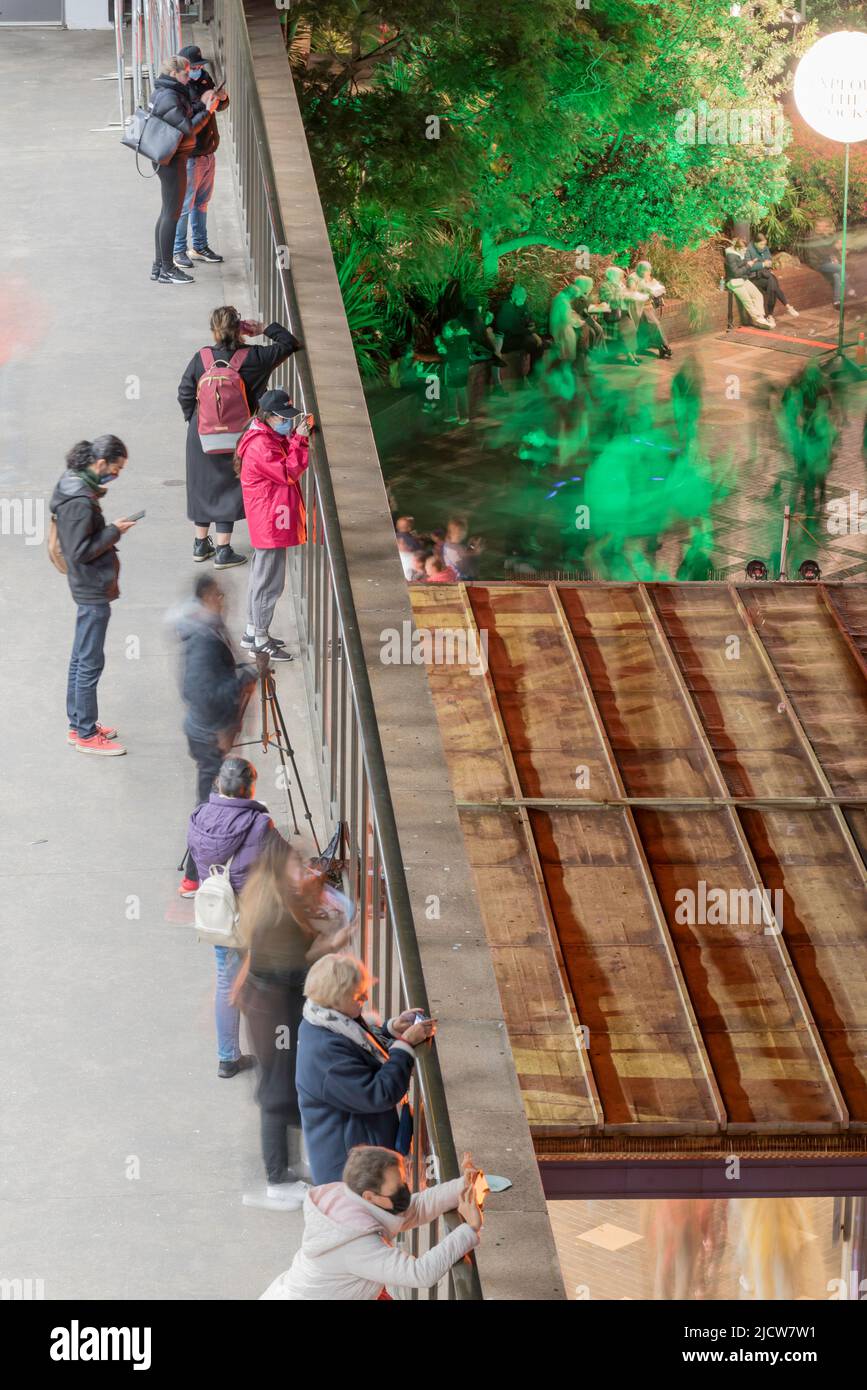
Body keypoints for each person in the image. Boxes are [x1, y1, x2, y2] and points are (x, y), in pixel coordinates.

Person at [236, 840, 352, 1206]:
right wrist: (333, 944)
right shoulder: (277, 913)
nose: (303, 868)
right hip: (276, 1014)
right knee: (277, 1091)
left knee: (282, 1085)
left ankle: (303, 1160)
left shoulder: (268, 899)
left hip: (266, 1007)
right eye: (296, 863)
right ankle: (278, 1180)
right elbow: (296, 968)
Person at [259, 1145, 483, 1300]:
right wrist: (469, 1228)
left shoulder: (346, 1200)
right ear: (370, 1197)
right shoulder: (357, 1243)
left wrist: (463, 1186)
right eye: (398, 1186)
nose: (405, 1189)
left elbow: (416, 1207)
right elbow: (419, 1273)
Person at [177, 307, 302, 569]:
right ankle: (223, 549)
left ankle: (200, 544)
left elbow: (185, 392)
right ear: (240, 328)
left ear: (214, 329)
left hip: (202, 434)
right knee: (230, 485)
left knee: (202, 484)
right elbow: (290, 344)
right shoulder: (256, 356)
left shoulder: (202, 358)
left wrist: (196, 421)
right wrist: (263, 328)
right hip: (239, 435)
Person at [296, 953, 436, 1184]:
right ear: (336, 999)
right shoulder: (326, 1054)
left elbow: (360, 1047)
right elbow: (378, 1094)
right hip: (350, 1175)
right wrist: (405, 1045)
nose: (366, 998)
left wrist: (392, 1030)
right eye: (359, 996)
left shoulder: (328, 1019)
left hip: (360, 1159)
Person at [186, 756, 276, 1077]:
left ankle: (227, 1057)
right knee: (269, 982)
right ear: (249, 788)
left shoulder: (198, 816)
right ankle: (276, 1052)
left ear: (219, 785)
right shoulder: (259, 824)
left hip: (217, 913)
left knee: (227, 983)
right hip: (253, 916)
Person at [51, 436, 137, 756]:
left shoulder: (74, 485)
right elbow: (80, 551)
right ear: (100, 463)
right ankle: (85, 732)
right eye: (116, 468)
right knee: (89, 661)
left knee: (81, 656)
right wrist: (114, 531)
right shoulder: (80, 501)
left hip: (87, 585)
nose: (117, 474)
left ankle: (79, 723)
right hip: (91, 588)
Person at [174, 574, 257, 894]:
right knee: (209, 804)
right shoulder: (204, 639)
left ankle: (204, 870)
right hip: (209, 734)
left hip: (208, 729)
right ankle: (195, 878)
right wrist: (244, 679)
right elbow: (200, 693)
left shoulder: (203, 628)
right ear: (208, 597)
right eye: (220, 595)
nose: (225, 600)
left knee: (212, 798)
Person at [235, 389, 311, 660]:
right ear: (268, 417)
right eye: (284, 419)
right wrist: (301, 440)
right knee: (269, 582)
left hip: (268, 518)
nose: (287, 423)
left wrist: (294, 436)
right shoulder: (260, 446)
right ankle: (260, 639)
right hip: (270, 521)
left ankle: (252, 631)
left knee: (261, 577)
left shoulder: (263, 435)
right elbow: (289, 471)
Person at [148, 55, 217, 285]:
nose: (189, 77)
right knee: (171, 214)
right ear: (173, 74)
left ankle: (159, 266)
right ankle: (167, 268)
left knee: (167, 212)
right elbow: (188, 128)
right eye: (186, 73)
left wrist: (202, 102)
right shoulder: (169, 95)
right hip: (172, 160)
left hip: (169, 158)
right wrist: (207, 111)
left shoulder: (170, 92)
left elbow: (183, 112)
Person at [172, 45, 229, 269]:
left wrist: (221, 99)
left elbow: (218, 107)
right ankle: (178, 250)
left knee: (202, 202)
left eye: (198, 66)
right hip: (191, 155)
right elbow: (187, 116)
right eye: (192, 67)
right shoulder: (180, 87)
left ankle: (199, 245)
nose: (196, 70)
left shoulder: (205, 78)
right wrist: (204, 102)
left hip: (208, 150)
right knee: (185, 204)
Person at [743, 233, 799, 322]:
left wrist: (767, 262)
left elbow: (769, 258)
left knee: (772, 285)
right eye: (761, 244)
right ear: (755, 243)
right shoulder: (749, 250)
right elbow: (749, 267)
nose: (763, 246)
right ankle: (786, 307)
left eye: (764, 244)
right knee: (773, 284)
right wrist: (762, 264)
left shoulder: (765, 248)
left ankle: (770, 315)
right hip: (754, 277)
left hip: (765, 274)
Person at [495, 284, 543, 385]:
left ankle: (534, 375)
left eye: (524, 296)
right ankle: (532, 377)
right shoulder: (506, 307)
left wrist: (533, 332)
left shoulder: (521, 304)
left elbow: (529, 321)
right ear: (513, 296)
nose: (524, 298)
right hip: (506, 340)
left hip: (519, 336)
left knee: (541, 344)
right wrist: (532, 333)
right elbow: (514, 329)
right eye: (522, 296)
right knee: (534, 344)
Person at [724, 239, 772, 328]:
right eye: (744, 250)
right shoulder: (730, 256)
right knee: (748, 300)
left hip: (743, 279)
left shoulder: (740, 254)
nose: (745, 251)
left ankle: (761, 316)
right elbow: (736, 273)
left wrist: (752, 263)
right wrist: (748, 265)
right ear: (738, 249)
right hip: (734, 281)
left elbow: (743, 268)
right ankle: (757, 318)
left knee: (758, 295)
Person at [631, 261, 673, 358]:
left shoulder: (646, 276)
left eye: (649, 270)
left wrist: (658, 291)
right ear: (641, 270)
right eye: (646, 271)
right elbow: (633, 291)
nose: (648, 273)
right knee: (655, 325)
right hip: (640, 308)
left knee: (653, 326)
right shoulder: (633, 278)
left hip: (648, 306)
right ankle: (665, 346)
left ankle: (662, 347)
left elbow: (655, 285)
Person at [435, 319, 471, 424]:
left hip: (459, 370)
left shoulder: (461, 338)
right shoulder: (453, 339)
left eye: (447, 330)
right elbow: (447, 356)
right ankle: (453, 414)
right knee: (451, 393)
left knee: (461, 393)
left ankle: (465, 416)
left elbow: (456, 355)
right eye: (444, 330)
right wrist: (441, 348)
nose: (445, 332)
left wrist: (444, 350)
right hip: (451, 370)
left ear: (454, 330)